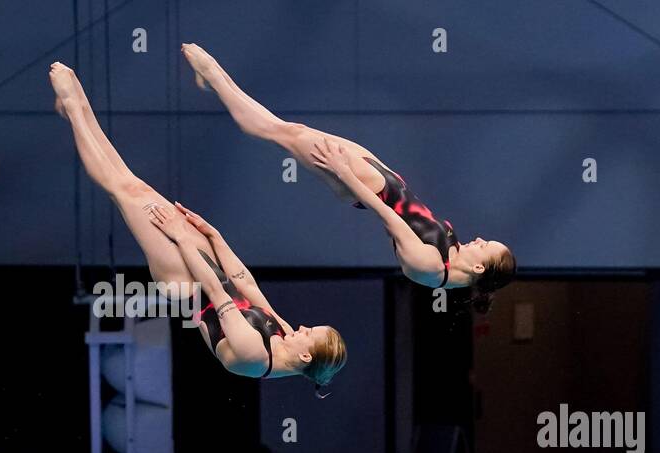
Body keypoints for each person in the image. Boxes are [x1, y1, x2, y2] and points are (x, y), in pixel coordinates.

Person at [49, 63, 347, 391]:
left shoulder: (254, 359)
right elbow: (245, 284)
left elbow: (218, 294)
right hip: (209, 268)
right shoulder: (285, 336)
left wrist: (182, 238)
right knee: (137, 188)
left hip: (185, 283)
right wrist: (214, 236)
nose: (302, 328)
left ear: (306, 357)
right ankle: (76, 110)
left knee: (124, 192)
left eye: (309, 333)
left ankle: (75, 111)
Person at [182, 44, 515, 313]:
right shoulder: (452, 257)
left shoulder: (431, 269)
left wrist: (343, 173)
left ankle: (212, 71)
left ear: (480, 269)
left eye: (485, 247)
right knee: (289, 130)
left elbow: (388, 218)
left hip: (367, 186)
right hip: (382, 179)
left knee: (277, 132)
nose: (481, 239)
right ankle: (215, 77)